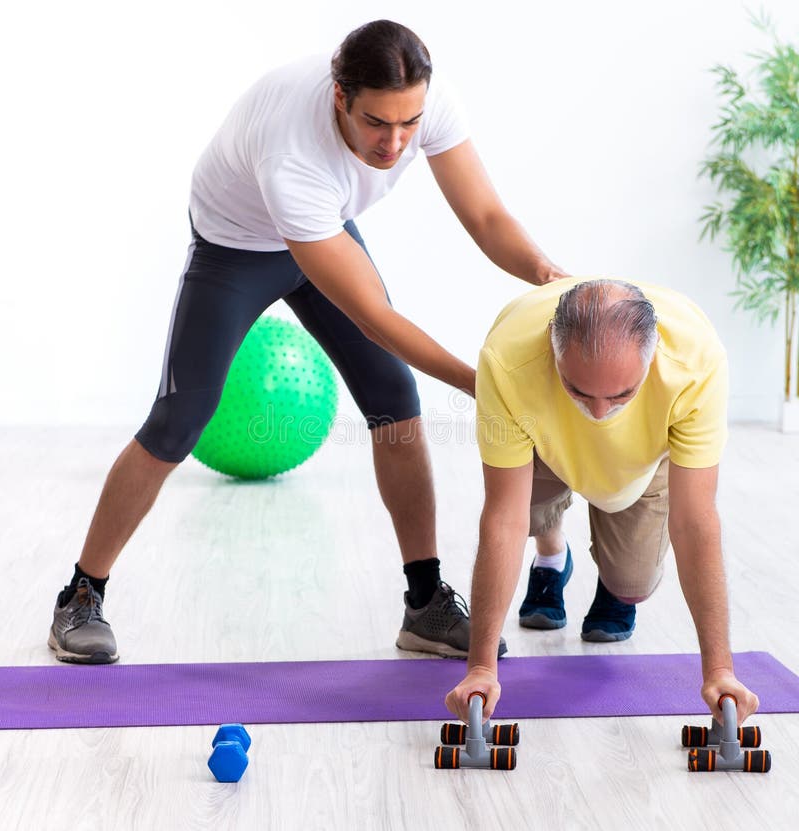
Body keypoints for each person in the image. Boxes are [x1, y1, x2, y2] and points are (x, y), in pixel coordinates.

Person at [48, 19, 565, 664]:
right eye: (377, 124)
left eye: (409, 124)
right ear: (340, 97)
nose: (395, 143)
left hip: (324, 227)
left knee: (394, 396)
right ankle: (81, 595)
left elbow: (485, 216)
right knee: (180, 416)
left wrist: (546, 273)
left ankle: (425, 602)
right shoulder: (293, 155)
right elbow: (373, 317)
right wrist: (482, 384)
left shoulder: (424, 101)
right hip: (236, 245)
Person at [445, 278, 760, 727]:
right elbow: (503, 518)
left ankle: (614, 576)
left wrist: (719, 670)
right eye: (577, 390)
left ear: (652, 356)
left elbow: (695, 521)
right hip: (546, 443)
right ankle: (552, 554)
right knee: (524, 516)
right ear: (552, 348)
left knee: (632, 582)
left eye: (620, 395)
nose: (597, 413)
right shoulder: (507, 359)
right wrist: (481, 667)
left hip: (640, 463)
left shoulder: (696, 363)